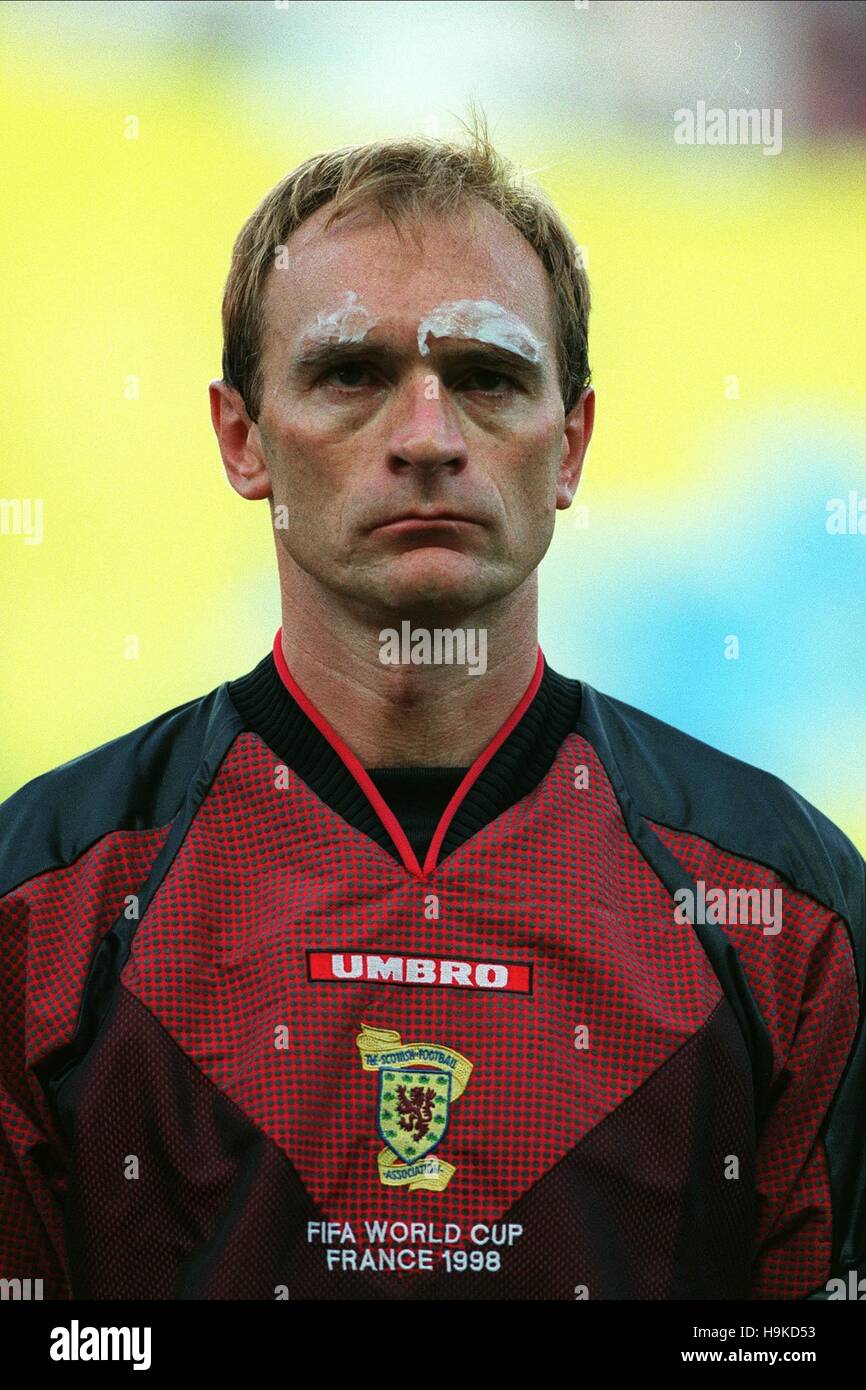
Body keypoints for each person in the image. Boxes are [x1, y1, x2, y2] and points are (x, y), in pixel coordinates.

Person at [1, 113, 863, 1301]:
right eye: (350, 374)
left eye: (486, 378)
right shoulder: (45, 904)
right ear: (240, 436)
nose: (424, 437)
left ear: (568, 446)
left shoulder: (784, 911)